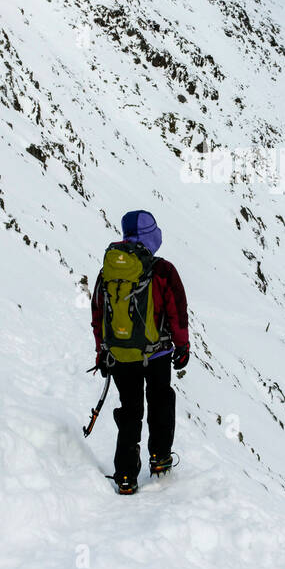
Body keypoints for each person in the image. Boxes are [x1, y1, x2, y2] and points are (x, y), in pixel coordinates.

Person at [91, 210, 189, 494]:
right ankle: (159, 459)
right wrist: (182, 346)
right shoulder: (162, 270)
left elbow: (99, 314)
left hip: (121, 355)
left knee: (130, 410)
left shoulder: (107, 271)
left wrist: (102, 353)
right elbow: (177, 312)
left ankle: (125, 475)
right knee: (160, 402)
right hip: (157, 355)